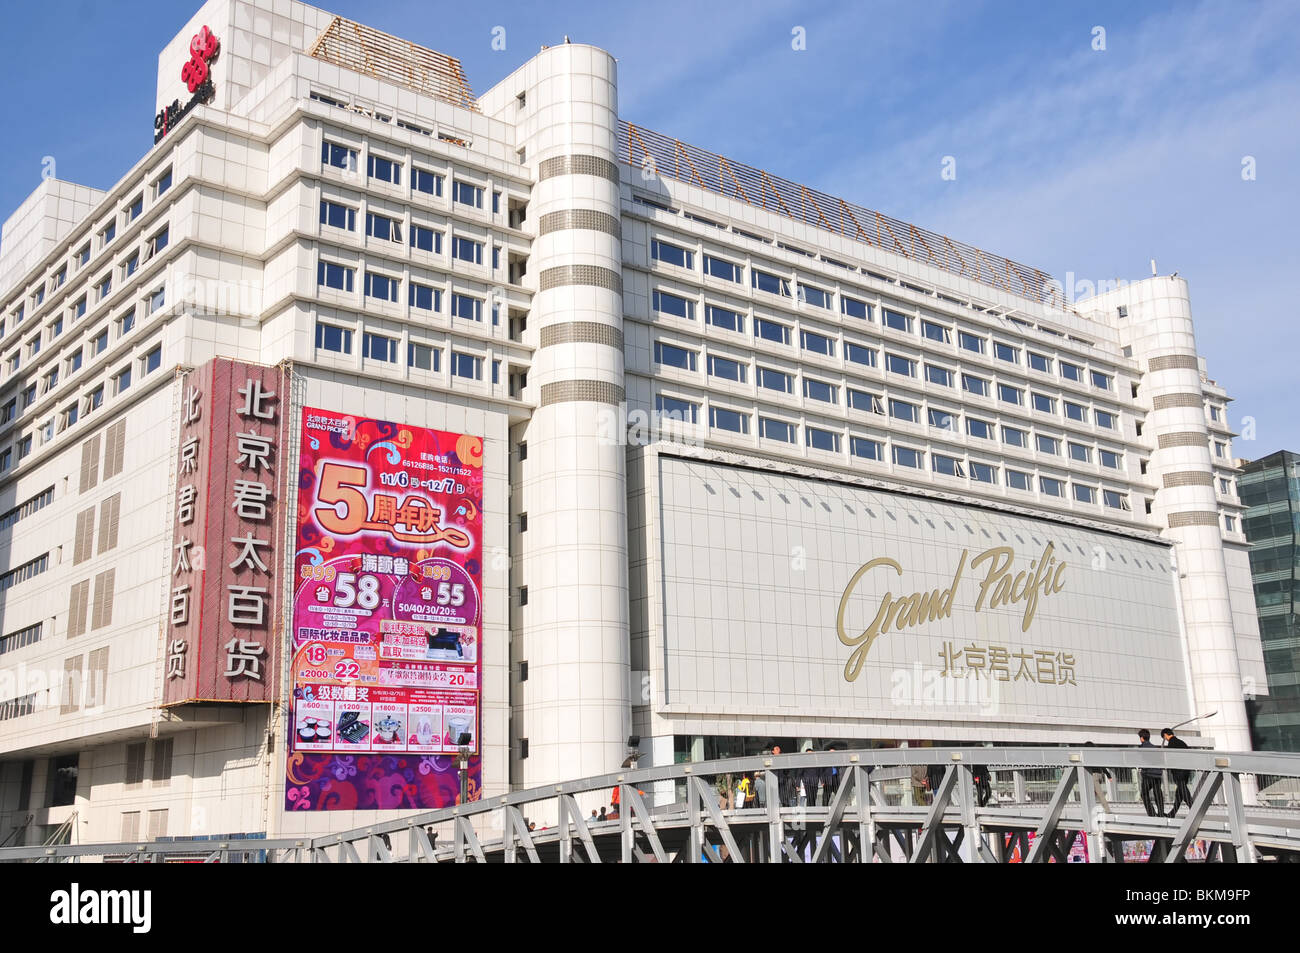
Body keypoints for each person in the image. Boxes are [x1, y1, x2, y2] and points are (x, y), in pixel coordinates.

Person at [1161, 728, 1193, 817]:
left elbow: (1170, 758)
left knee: (1182, 789)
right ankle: (1172, 813)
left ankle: (1193, 807)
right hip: (1186, 770)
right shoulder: (1181, 742)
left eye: (1164, 737)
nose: (1165, 739)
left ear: (1165, 735)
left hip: (1178, 771)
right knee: (1179, 792)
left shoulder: (1171, 744)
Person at [1138, 729, 1165, 817]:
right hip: (1157, 774)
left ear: (1141, 738)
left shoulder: (1141, 748)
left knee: (1144, 794)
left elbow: (1140, 760)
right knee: (1157, 793)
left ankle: (1151, 813)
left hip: (1148, 774)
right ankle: (1161, 813)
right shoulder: (1155, 748)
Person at [1082, 741, 1112, 812]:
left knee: (1100, 794)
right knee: (1093, 793)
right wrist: (1108, 775)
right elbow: (1102, 765)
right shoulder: (1096, 754)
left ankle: (1107, 810)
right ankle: (1092, 808)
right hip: (1100, 775)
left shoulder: (1087, 756)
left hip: (1094, 776)